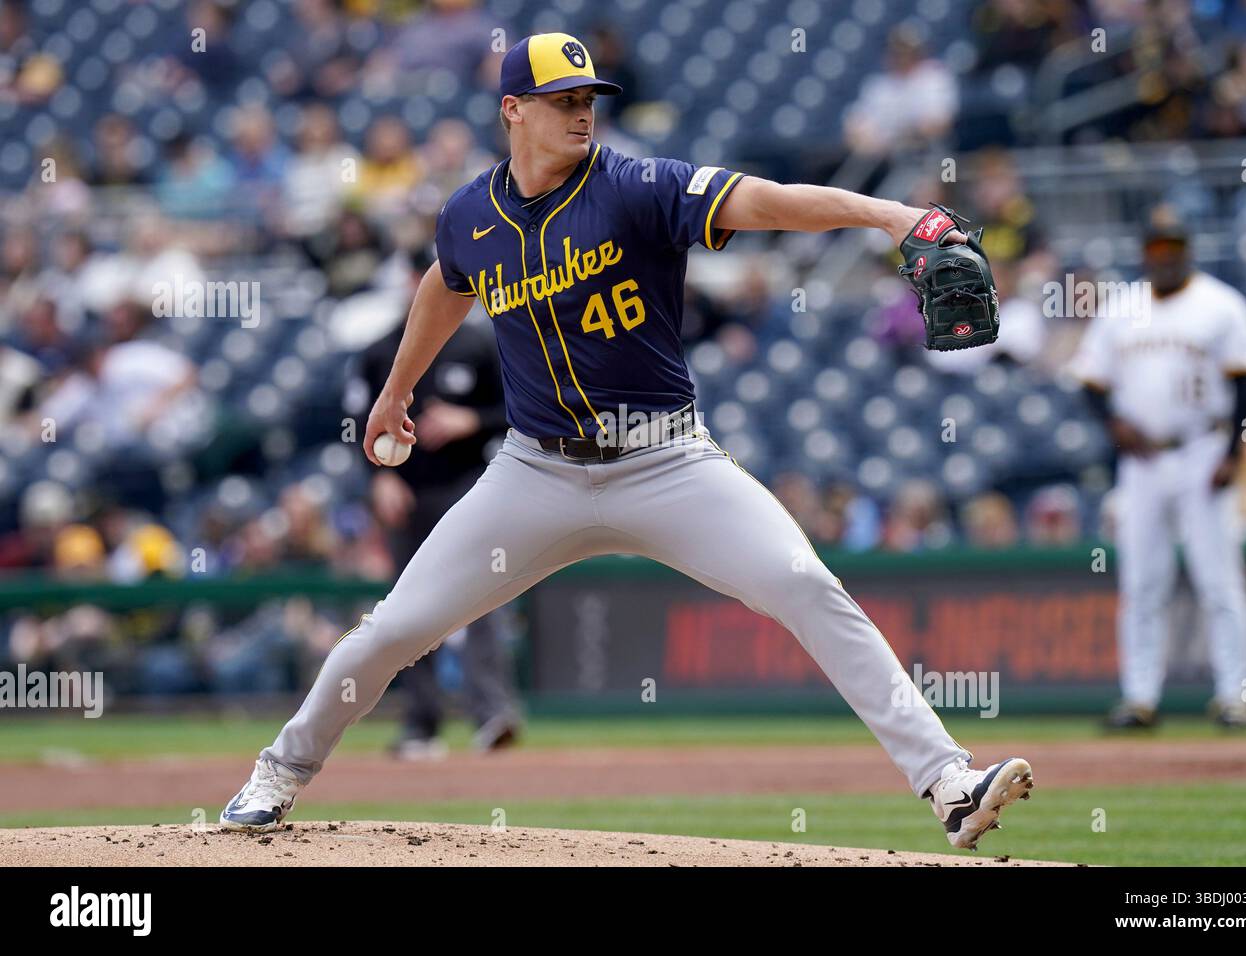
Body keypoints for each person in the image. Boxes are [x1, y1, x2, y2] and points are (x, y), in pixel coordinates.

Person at [221, 32, 1033, 850]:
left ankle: (949, 782)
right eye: (563, 101)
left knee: (806, 586)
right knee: (396, 628)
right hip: (536, 473)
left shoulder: (641, 186)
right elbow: (446, 279)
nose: (582, 114)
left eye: (588, 100)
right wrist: (397, 391)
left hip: (668, 463)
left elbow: (769, 199)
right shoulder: (472, 213)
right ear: (514, 111)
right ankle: (278, 774)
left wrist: (895, 215)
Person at [1069, 205, 1246, 730]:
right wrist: (1113, 424)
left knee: (1219, 579)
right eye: (1156, 249)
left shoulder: (1221, 306)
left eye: (1172, 249)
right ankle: (1139, 699)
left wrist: (1234, 454)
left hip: (1203, 449)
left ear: (1187, 251)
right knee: (1142, 583)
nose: (1164, 258)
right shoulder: (1121, 308)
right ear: (1144, 254)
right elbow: (1090, 382)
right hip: (1143, 461)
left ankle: (1234, 695)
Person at [358, 254, 522, 758]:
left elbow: (517, 408)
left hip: (466, 485)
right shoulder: (378, 353)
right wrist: (376, 481)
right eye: (408, 277)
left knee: (481, 599)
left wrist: (468, 420)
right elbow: (351, 424)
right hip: (406, 495)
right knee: (410, 607)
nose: (414, 285)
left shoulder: (477, 343)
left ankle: (491, 713)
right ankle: (421, 724)